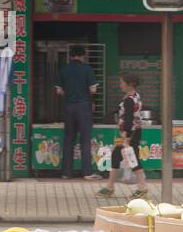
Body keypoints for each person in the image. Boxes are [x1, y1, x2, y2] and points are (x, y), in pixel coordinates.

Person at [98, 73, 148, 198]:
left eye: (122, 83)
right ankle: (110, 187)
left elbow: (129, 118)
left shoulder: (129, 100)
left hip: (129, 134)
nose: (120, 85)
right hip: (132, 132)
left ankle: (142, 187)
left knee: (132, 158)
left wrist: (125, 137)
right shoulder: (134, 96)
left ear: (129, 84)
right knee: (117, 156)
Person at [56, 45, 98, 179]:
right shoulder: (87, 69)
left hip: (69, 106)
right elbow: (93, 90)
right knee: (85, 140)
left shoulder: (64, 69)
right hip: (84, 106)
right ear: (82, 56)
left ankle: (66, 173)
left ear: (71, 56)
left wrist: (70, 92)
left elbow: (59, 91)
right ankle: (87, 172)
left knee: (69, 139)